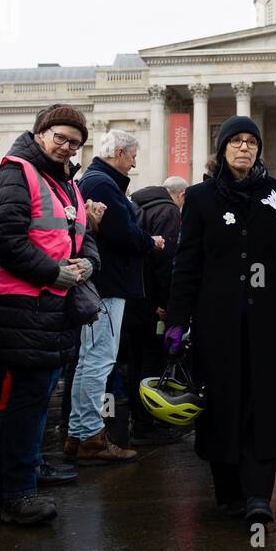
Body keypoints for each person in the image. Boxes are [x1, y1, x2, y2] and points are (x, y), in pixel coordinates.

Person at [165, 116, 276, 526]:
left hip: (268, 321)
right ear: (221, 149)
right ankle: (229, 494)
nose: (244, 148)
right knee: (222, 405)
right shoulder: (201, 198)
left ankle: (259, 494)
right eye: (236, 141)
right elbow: (187, 262)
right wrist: (176, 319)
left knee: (266, 402)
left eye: (251, 142)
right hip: (216, 321)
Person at [0, 105, 101, 523]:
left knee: (37, 396)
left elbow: (79, 236)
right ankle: (15, 493)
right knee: (27, 400)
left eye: (75, 142)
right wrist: (54, 272)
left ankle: (24, 474)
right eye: (60, 138)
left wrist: (87, 264)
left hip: (53, 303)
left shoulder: (66, 182)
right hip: (21, 302)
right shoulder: (17, 172)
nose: (67, 147)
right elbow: (5, 239)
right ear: (40, 134)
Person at [66, 129, 160, 464]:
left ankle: (79, 434)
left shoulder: (97, 181)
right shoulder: (102, 183)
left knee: (91, 359)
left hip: (103, 281)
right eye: (133, 156)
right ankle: (90, 435)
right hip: (107, 283)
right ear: (119, 153)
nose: (135, 163)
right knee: (99, 359)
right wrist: (150, 242)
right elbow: (124, 233)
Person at [124, 175, 187, 446]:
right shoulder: (169, 211)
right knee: (151, 363)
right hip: (154, 303)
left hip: (135, 297)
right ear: (181, 195)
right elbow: (166, 260)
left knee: (136, 362)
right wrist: (167, 303)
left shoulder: (139, 206)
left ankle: (138, 420)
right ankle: (147, 424)